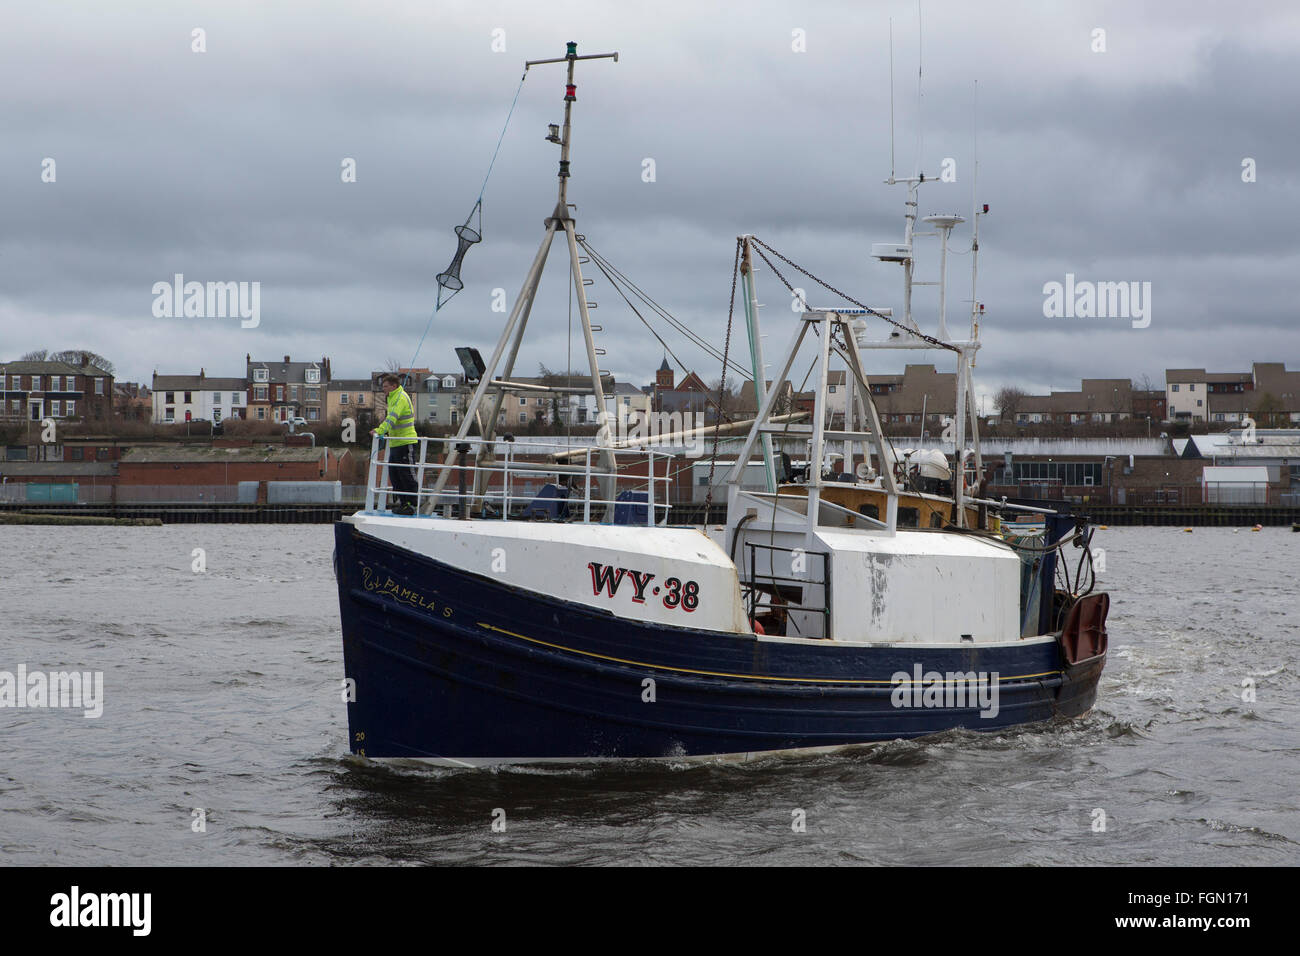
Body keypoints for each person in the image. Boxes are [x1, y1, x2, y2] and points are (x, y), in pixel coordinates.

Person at [371, 374, 420, 514]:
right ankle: (403, 503)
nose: (383, 389)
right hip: (395, 443)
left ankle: (411, 504)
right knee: (394, 474)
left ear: (394, 386)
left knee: (406, 474)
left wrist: (380, 431)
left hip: (406, 442)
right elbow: (391, 419)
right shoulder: (392, 398)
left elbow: (392, 418)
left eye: (385, 386)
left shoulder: (400, 397)